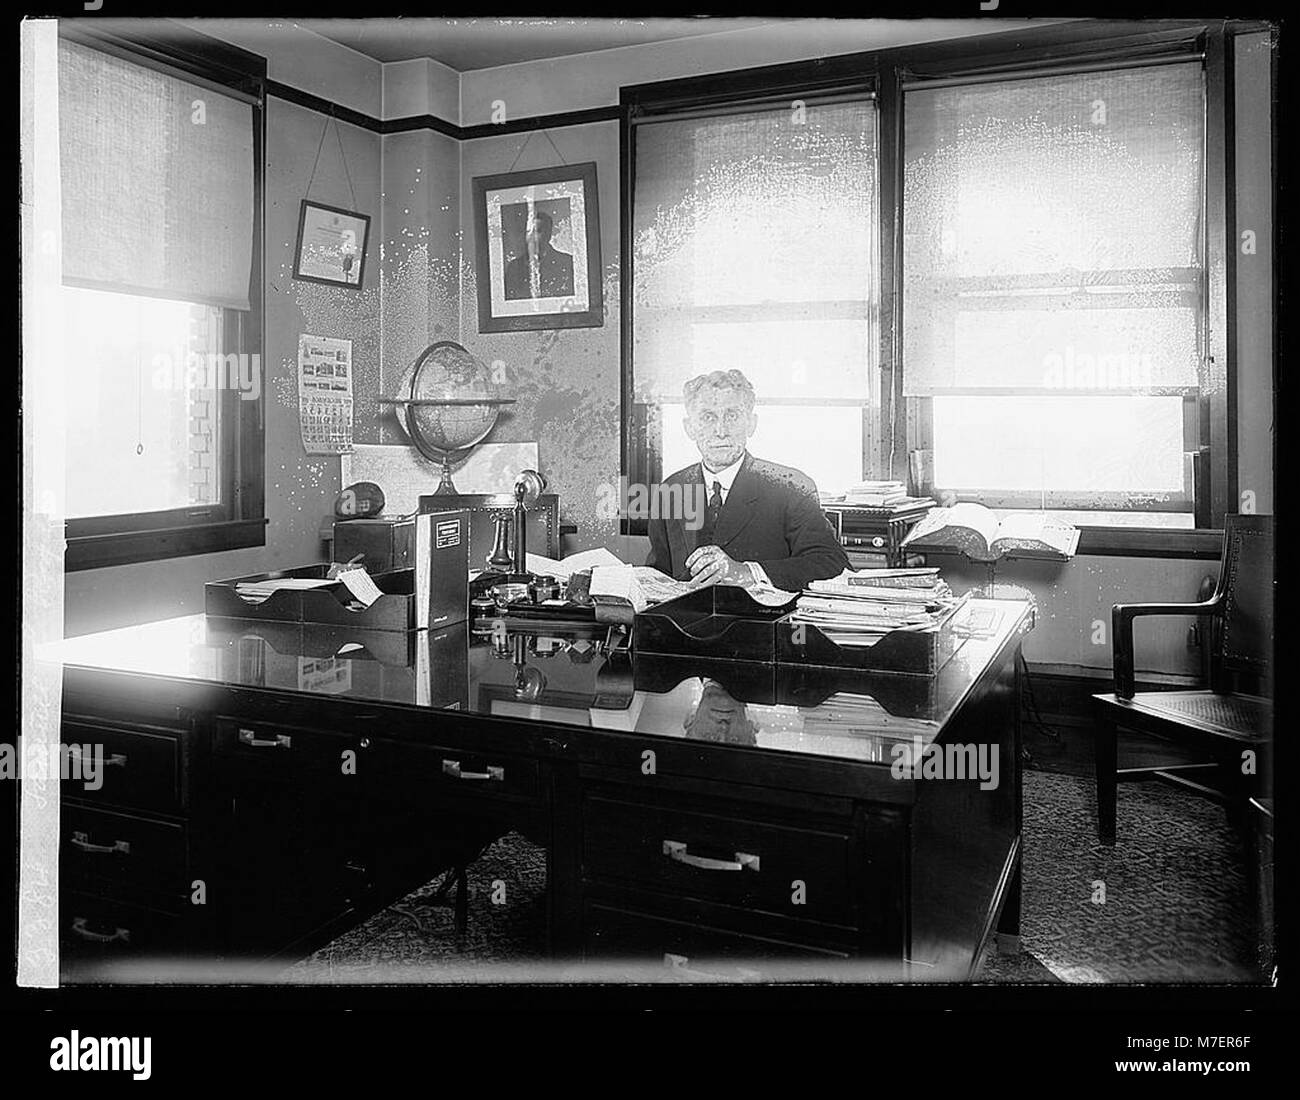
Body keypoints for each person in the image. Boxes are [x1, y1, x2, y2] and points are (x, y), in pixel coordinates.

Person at [645, 369, 849, 593]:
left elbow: (833, 564)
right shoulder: (671, 489)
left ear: (751, 424)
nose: (720, 431)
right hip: (687, 626)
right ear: (689, 428)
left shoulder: (791, 486)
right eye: (707, 418)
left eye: (732, 416)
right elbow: (660, 574)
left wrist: (747, 573)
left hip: (763, 625)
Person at [503, 208, 575, 300]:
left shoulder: (567, 263)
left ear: (548, 234)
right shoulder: (514, 267)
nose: (531, 236)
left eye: (537, 231)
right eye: (528, 231)